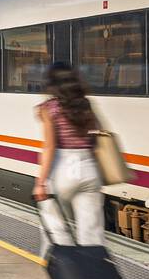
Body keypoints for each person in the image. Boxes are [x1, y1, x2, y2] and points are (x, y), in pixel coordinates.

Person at [33, 61, 104, 247]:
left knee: (56, 230)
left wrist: (40, 183)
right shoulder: (86, 105)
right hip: (89, 170)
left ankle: (64, 271)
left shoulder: (49, 109)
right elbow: (97, 137)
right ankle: (94, 272)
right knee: (92, 235)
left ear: (52, 84)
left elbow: (49, 147)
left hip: (62, 170)